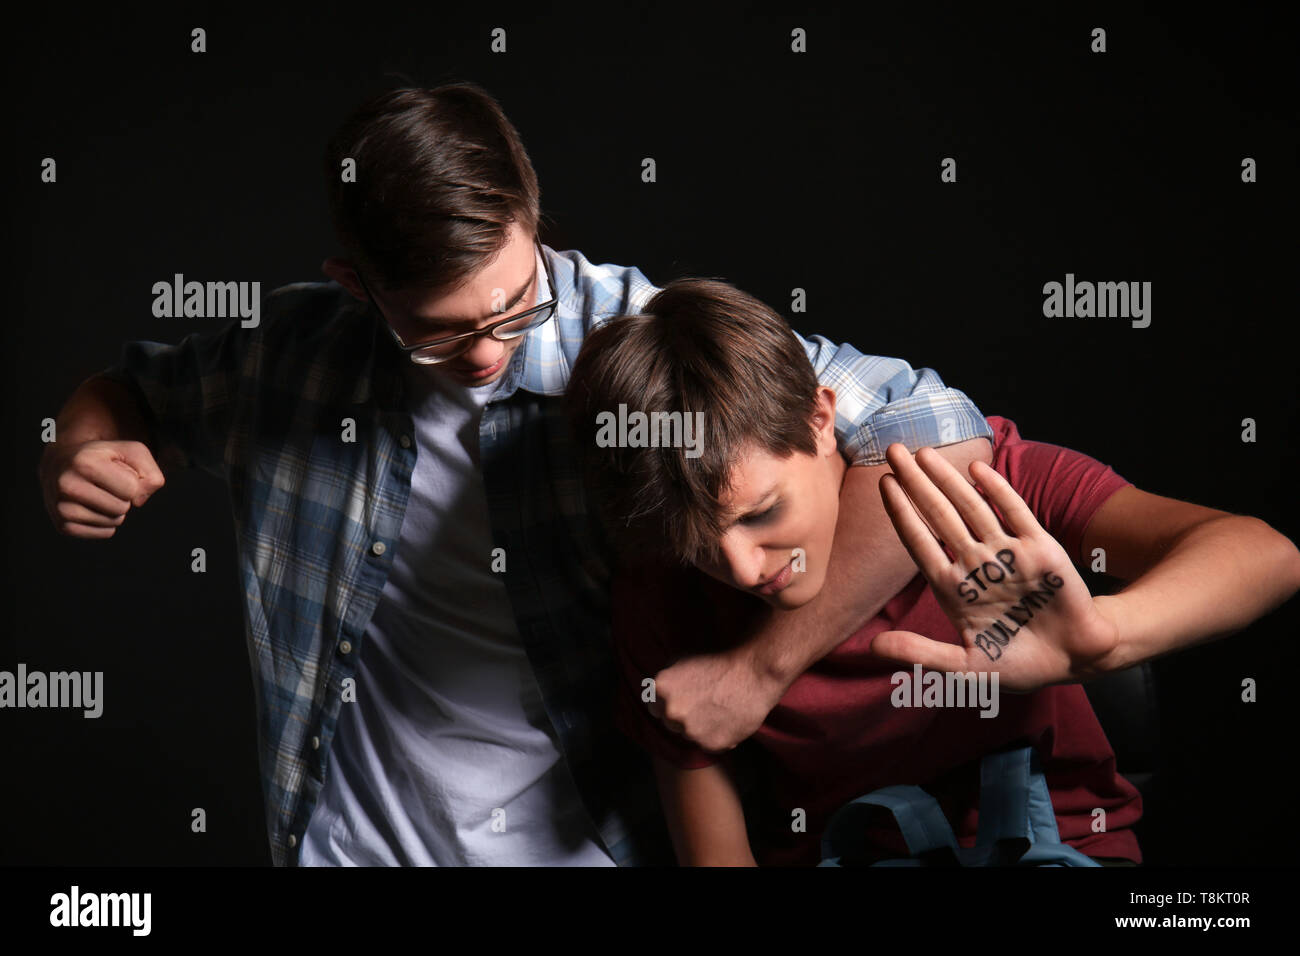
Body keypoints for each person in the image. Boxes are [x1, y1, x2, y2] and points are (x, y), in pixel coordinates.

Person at [35, 82, 995, 866]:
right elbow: (128, 392)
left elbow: (938, 429)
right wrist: (79, 450)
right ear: (356, 287)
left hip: (590, 847)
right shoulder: (293, 357)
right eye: (441, 334)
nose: (488, 354)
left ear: (532, 221)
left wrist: (760, 667)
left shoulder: (638, 351)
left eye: (512, 308)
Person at [567, 277, 1300, 866]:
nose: (738, 566)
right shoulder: (661, 596)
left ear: (821, 419)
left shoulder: (975, 496)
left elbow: (1265, 554)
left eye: (761, 513)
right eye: (697, 542)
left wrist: (1104, 639)